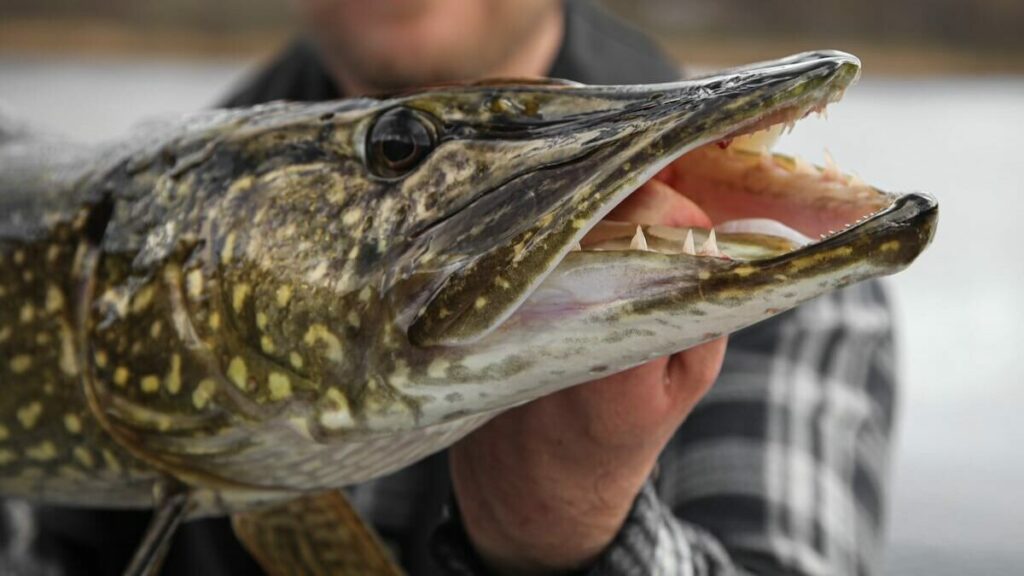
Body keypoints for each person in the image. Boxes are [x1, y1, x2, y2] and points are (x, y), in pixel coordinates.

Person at [0, 1, 897, 575]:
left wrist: (564, 543)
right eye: (398, 154)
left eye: (404, 149)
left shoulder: (756, 239)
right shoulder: (186, 177)